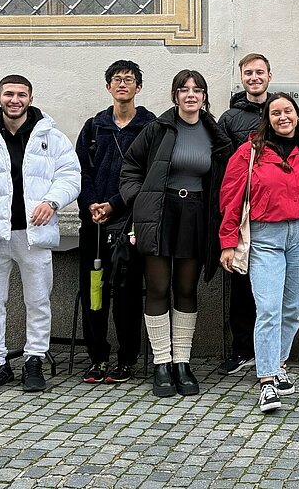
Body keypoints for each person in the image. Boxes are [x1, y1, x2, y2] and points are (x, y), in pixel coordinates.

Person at [0, 75, 81, 394]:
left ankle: (34, 359)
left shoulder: (51, 136)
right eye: (9, 94)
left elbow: (70, 175)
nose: (15, 99)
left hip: (34, 235)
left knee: (38, 300)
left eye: (21, 94)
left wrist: (52, 201)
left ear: (30, 98)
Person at [120, 70, 231, 398]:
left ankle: (182, 362)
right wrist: (139, 202)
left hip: (195, 216)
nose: (190, 95)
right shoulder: (158, 129)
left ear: (204, 96)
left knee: (186, 289)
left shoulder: (214, 132)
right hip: (159, 214)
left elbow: (226, 176)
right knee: (158, 288)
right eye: (184, 90)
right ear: (175, 96)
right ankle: (161, 364)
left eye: (197, 90)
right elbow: (130, 167)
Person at [219, 92, 299, 413]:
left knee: (292, 309)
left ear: (297, 115)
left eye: (288, 111)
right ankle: (267, 382)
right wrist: (228, 241)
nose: (283, 117)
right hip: (264, 235)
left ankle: (280, 363)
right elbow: (230, 197)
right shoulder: (249, 152)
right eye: (276, 112)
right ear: (267, 119)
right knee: (268, 308)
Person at [75, 60, 156, 385]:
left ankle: (126, 359)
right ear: (108, 87)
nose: (123, 84)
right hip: (94, 225)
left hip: (130, 226)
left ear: (138, 87)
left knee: (126, 294)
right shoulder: (94, 127)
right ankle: (97, 357)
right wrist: (92, 204)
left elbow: (149, 176)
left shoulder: (150, 128)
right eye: (117, 80)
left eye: (129, 80)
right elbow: (79, 171)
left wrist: (116, 204)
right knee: (94, 293)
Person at [216, 52, 273, 375]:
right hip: (242, 211)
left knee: (269, 285)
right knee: (240, 284)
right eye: (249, 73)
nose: (254, 77)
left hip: (273, 211)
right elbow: (225, 166)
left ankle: (271, 350)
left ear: (269, 75)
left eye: (259, 72)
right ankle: (241, 350)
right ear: (242, 78)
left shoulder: (279, 110)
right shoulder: (230, 118)